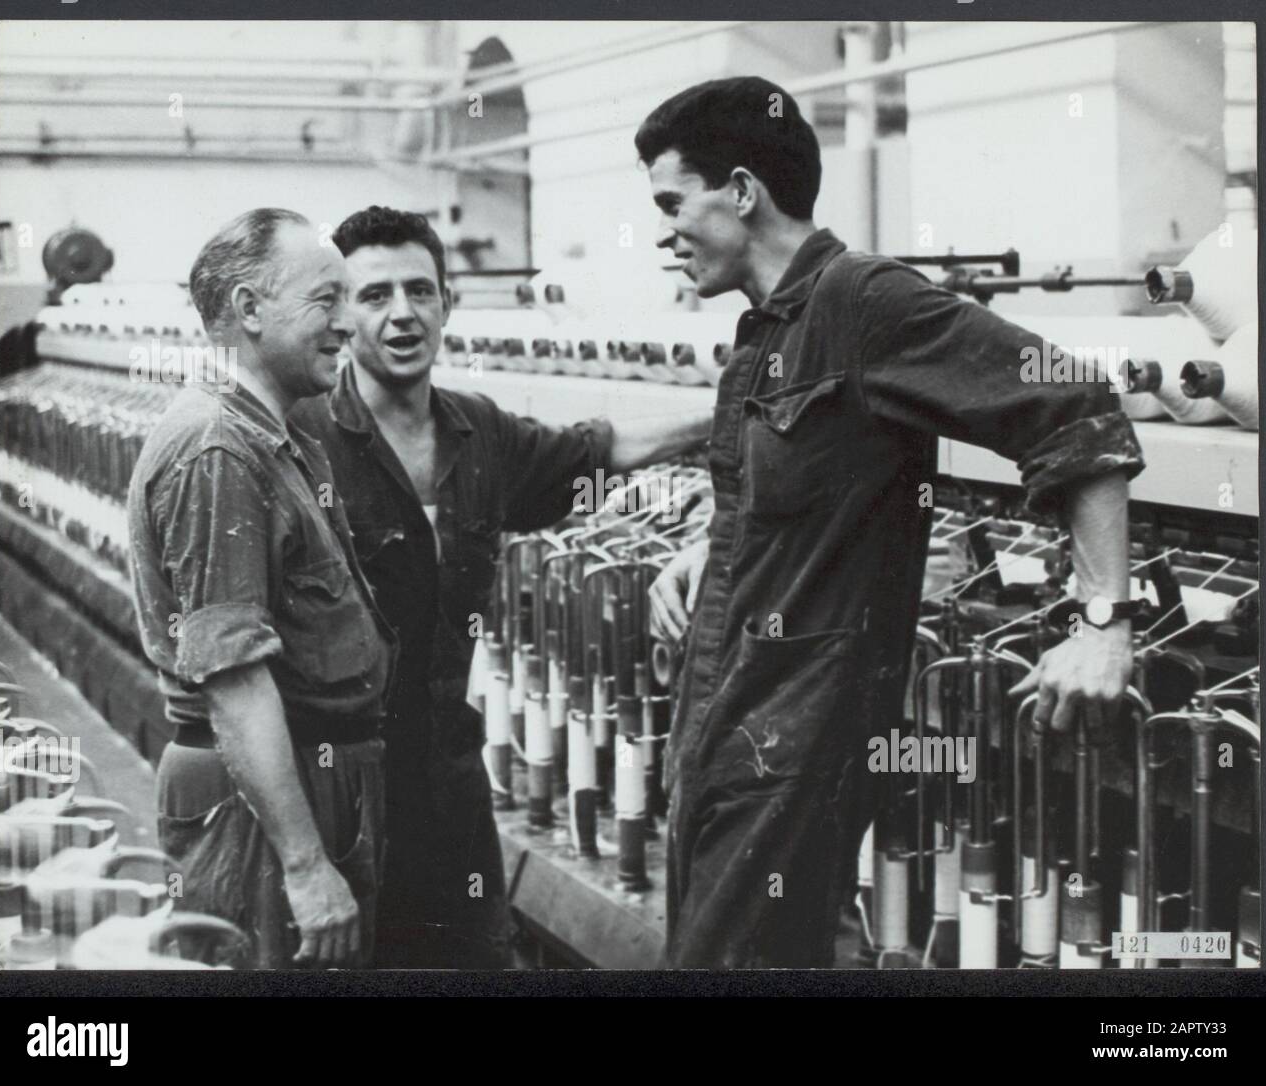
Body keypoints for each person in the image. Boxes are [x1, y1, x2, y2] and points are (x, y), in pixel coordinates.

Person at [637, 78, 1147, 968]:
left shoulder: (866, 303)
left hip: (796, 745)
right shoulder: (762, 334)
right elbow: (806, 488)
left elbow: (1077, 406)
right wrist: (712, 553)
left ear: (744, 191)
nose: (662, 231)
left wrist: (1103, 621)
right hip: (721, 723)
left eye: (672, 202)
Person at [291, 206, 712, 968]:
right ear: (341, 315)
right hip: (339, 793)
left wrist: (729, 417)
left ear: (448, 303)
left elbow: (598, 447)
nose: (402, 314)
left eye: (421, 290)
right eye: (374, 294)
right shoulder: (301, 442)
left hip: (452, 786)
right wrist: (297, 855)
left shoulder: (477, 433)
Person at [128, 208, 397, 968]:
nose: (351, 324)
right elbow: (236, 682)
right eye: (326, 301)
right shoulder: (219, 449)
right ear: (248, 309)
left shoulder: (274, 434)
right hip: (263, 806)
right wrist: (307, 867)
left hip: (300, 786)